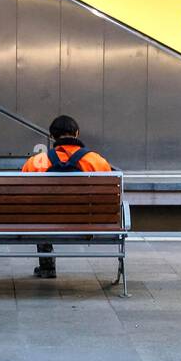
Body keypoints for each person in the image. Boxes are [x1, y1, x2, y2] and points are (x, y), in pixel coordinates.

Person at [21, 115, 113, 278]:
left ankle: (47, 265)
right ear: (76, 133)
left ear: (51, 136)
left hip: (45, 223)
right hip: (85, 222)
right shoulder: (95, 161)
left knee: (41, 213)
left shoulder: (36, 162)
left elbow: (24, 196)